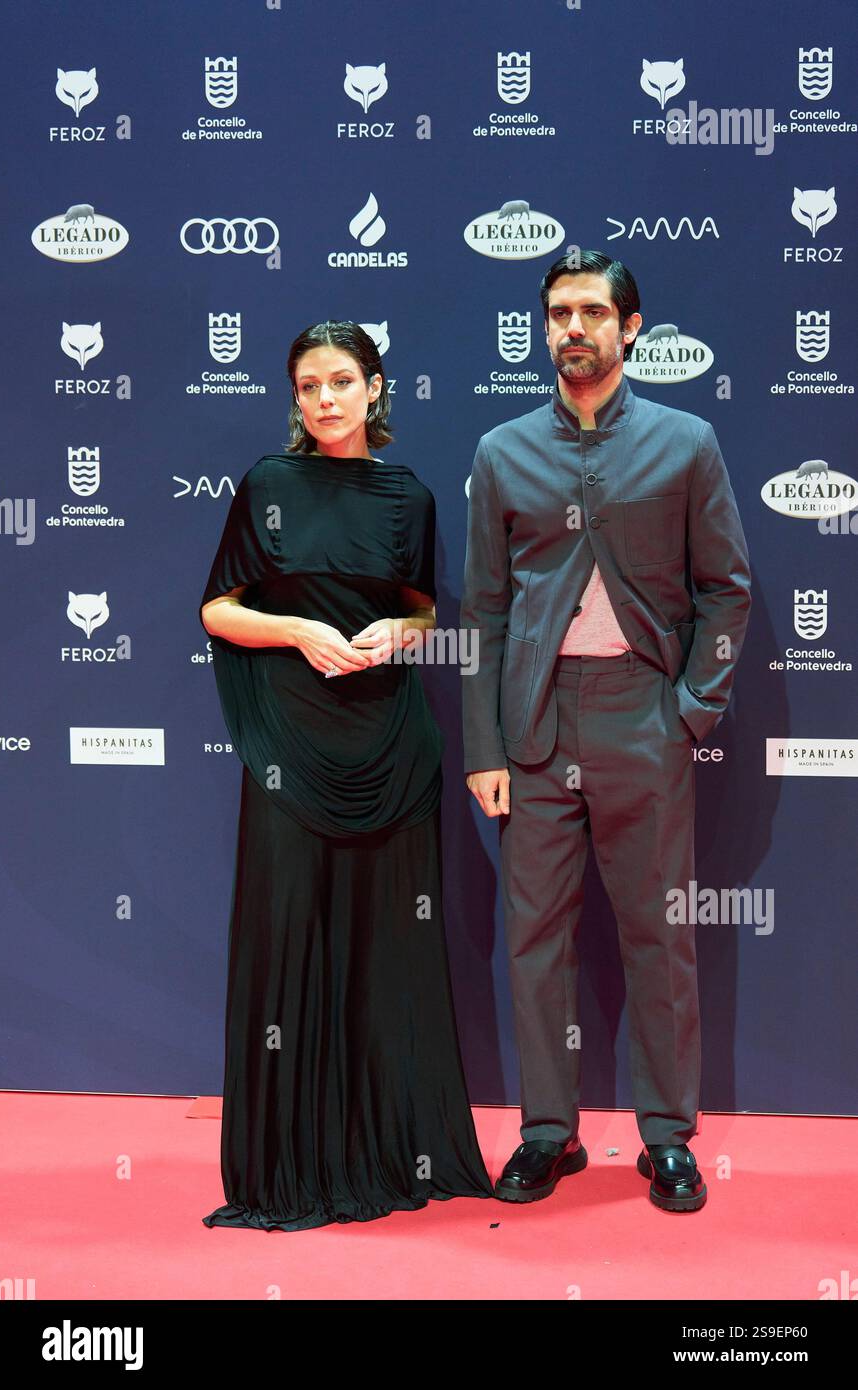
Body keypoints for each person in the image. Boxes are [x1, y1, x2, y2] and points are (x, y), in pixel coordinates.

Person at [460, 251, 751, 1213]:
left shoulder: (685, 442)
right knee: (533, 937)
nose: (571, 328)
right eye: (557, 313)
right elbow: (488, 615)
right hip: (536, 725)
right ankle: (548, 1132)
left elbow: (726, 590)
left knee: (659, 939)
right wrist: (488, 748)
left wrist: (688, 715)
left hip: (642, 716)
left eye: (591, 312)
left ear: (631, 328)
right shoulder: (504, 452)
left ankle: (667, 1138)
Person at [199, 320, 493, 1231]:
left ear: (375, 389)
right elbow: (217, 610)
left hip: (391, 751)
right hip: (290, 749)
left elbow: (419, 614)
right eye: (306, 386)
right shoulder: (268, 485)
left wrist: (398, 635)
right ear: (294, 399)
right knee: (289, 940)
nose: (323, 399)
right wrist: (298, 630)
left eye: (340, 381)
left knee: (387, 953)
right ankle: (289, 1167)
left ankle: (392, 1148)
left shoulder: (410, 496)